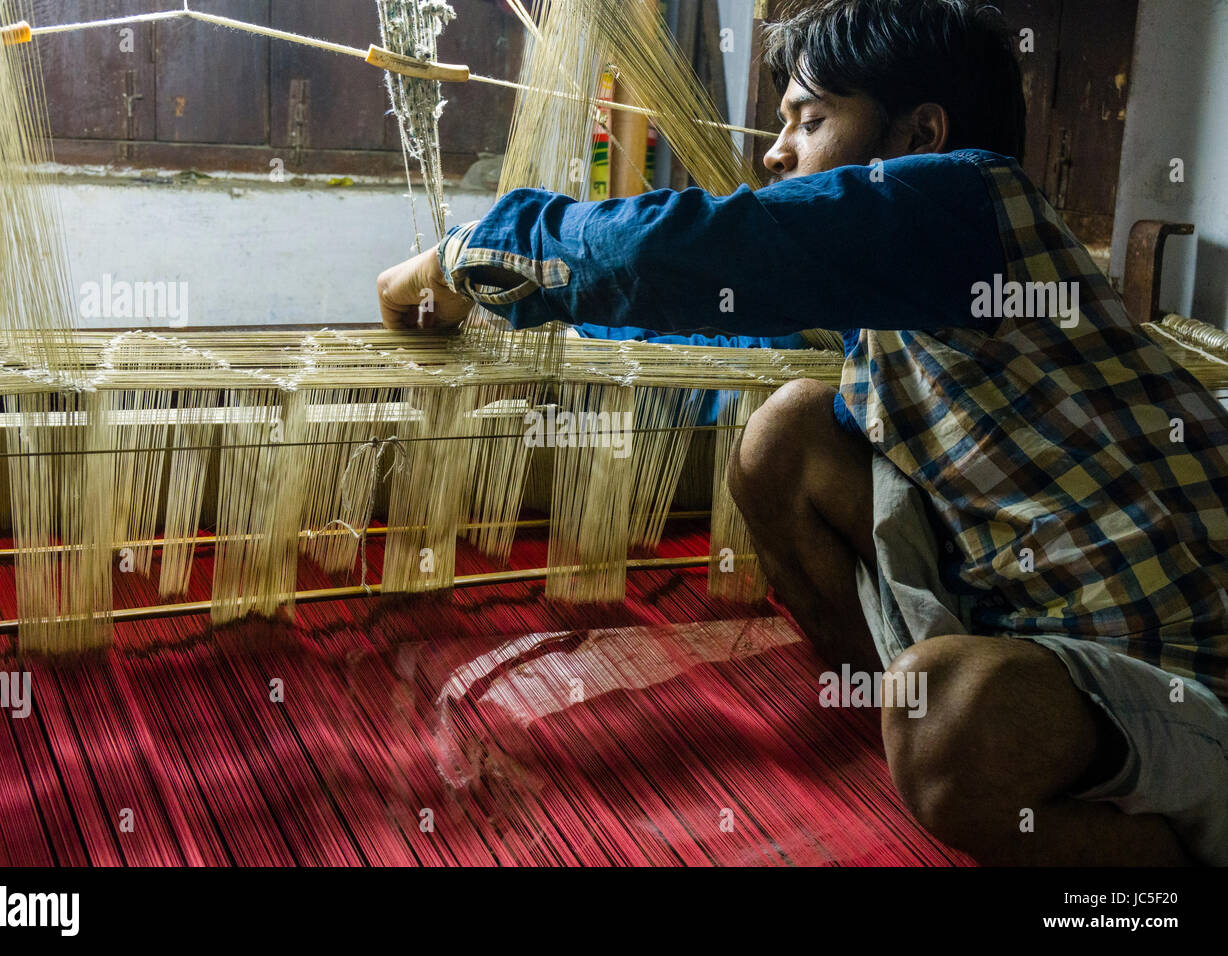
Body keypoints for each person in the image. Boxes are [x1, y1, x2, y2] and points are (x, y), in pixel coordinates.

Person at [376, 0, 1228, 866]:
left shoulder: (970, 205)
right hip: (1025, 624)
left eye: (810, 121)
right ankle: (896, 734)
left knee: (955, 711)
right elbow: (708, 307)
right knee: (786, 432)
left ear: (920, 135)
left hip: (1178, 685)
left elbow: (689, 254)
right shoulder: (894, 291)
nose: (778, 151)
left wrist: (468, 258)